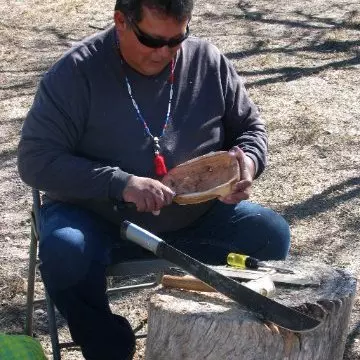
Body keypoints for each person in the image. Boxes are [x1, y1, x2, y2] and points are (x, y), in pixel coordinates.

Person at [17, 0, 290, 358]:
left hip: (193, 219)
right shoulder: (76, 73)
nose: (165, 53)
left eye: (177, 39)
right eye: (151, 40)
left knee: (270, 236)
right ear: (121, 21)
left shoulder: (207, 60)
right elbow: (35, 160)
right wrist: (121, 182)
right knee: (65, 254)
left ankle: (218, 340)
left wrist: (248, 163)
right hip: (99, 219)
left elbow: (250, 130)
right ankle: (109, 345)